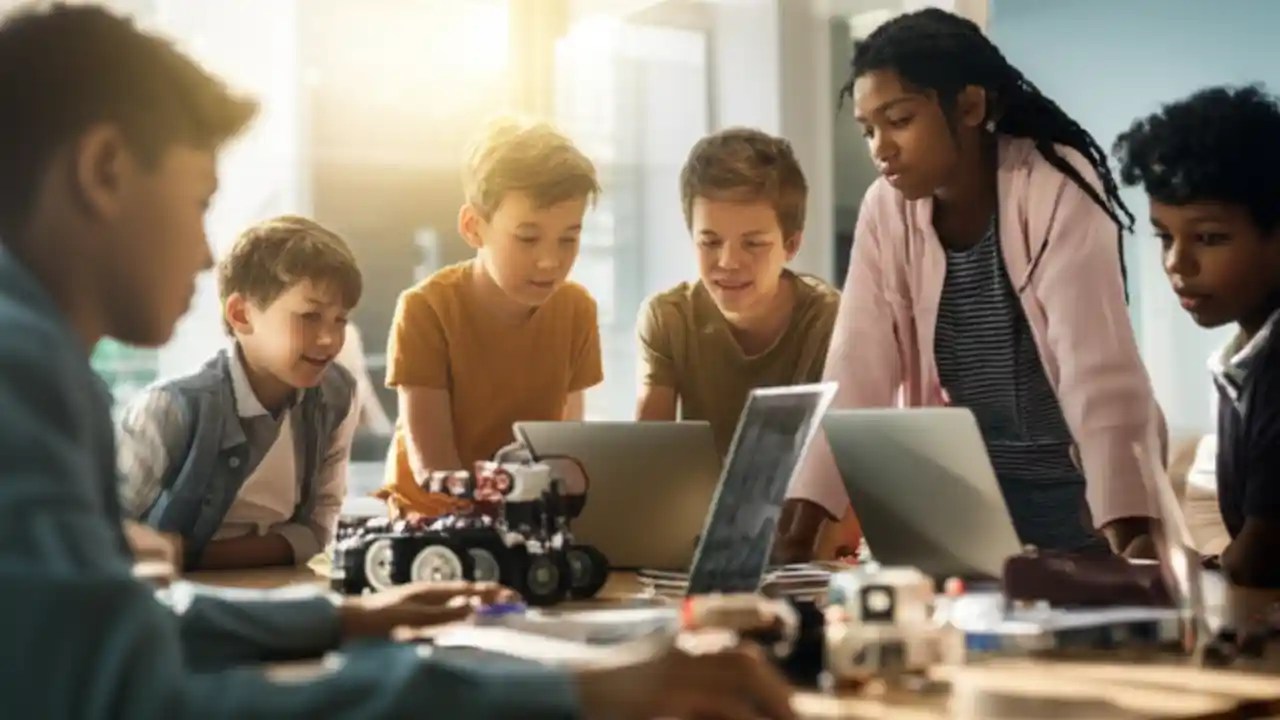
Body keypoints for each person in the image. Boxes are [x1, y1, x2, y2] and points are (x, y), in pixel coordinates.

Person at [0, 5, 796, 718]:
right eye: (202, 200)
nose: (209, 252)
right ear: (103, 169)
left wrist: (348, 616)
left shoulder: (36, 357)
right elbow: (138, 698)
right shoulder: (20, 369)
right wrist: (578, 690)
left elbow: (122, 628)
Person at [777, 8, 1164, 562]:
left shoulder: (1055, 185)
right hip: (959, 512)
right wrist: (801, 521)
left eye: (899, 119)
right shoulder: (885, 209)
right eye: (868, 129)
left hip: (1081, 511)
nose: (880, 147)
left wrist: (1131, 537)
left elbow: (1097, 368)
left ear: (969, 106)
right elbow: (856, 362)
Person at [379, 118, 604, 520]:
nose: (550, 260)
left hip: (527, 521)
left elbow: (568, 447)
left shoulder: (577, 309)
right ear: (473, 227)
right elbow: (434, 470)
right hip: (431, 522)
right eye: (527, 238)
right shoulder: (425, 310)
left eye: (568, 238)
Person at [117, 216, 361, 570]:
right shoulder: (170, 409)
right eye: (310, 316)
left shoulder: (336, 396)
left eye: (340, 319)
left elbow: (320, 527)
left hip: (282, 588)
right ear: (241, 314)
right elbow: (106, 535)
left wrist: (187, 554)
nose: (329, 339)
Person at [1114, 85, 1280, 588]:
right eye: (1165, 236)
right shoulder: (1245, 363)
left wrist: (1172, 565)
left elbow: (1260, 561)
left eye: (1209, 238)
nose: (1176, 263)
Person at [636, 128, 839, 457]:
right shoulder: (668, 318)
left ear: (791, 245)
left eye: (753, 244)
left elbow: (835, 462)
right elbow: (646, 455)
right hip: (694, 506)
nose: (728, 262)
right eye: (710, 242)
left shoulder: (829, 320)